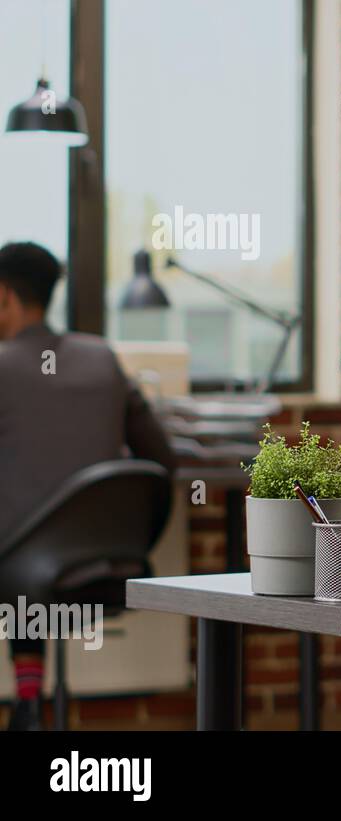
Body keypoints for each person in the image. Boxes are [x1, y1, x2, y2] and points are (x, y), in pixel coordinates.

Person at [0, 241, 176, 731]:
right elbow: (162, 459)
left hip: (20, 577)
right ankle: (30, 696)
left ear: (4, 296)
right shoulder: (101, 358)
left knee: (18, 561)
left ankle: (29, 699)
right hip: (106, 568)